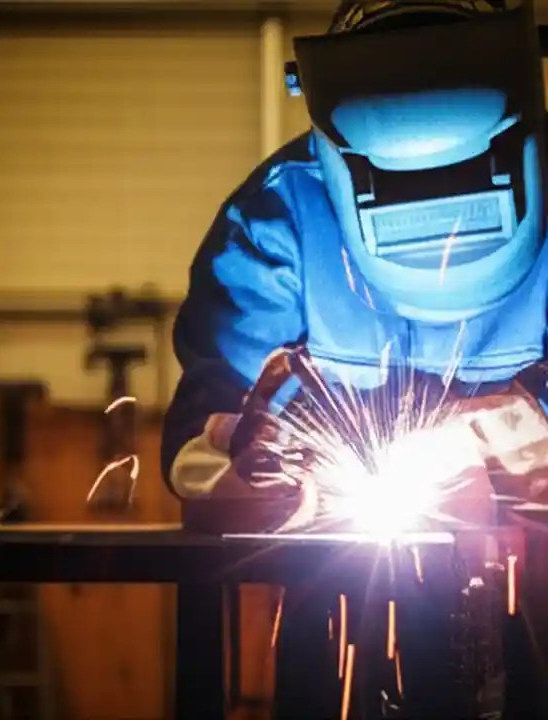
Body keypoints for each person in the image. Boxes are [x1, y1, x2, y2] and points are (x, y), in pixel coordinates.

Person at [162, 1, 547, 717]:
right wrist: (251, 467)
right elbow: (201, 446)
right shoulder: (279, 218)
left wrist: (521, 426)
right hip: (344, 600)